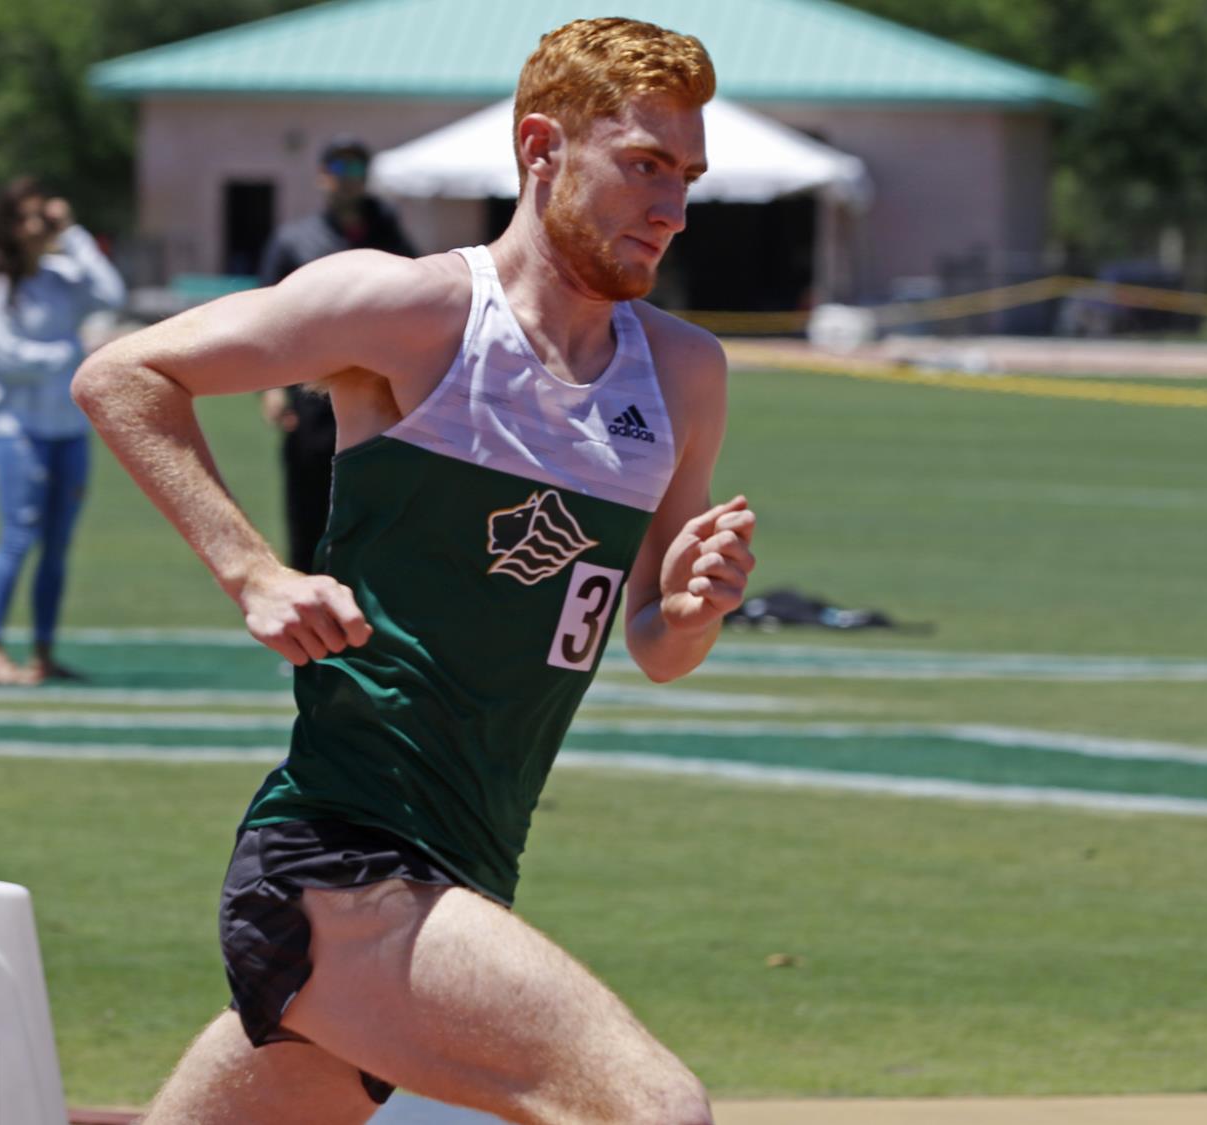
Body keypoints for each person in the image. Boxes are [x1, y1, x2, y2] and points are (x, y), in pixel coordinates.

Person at [74, 18, 752, 1124]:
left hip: (465, 869)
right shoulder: (410, 310)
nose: (671, 207)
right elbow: (124, 375)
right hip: (340, 864)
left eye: (686, 176)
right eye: (642, 167)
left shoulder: (681, 372)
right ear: (541, 147)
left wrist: (689, 609)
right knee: (649, 1108)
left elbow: (658, 647)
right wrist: (253, 572)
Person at [0, 177, 126, 685]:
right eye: (30, 217)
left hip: (67, 429)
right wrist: (69, 357)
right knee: (17, 537)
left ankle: (43, 652)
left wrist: (73, 232)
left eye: (43, 217)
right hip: (18, 429)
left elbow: (110, 292)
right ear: (9, 225)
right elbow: (5, 358)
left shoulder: (59, 277)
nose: (39, 227)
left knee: (57, 545)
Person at [257, 137, 419, 570]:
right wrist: (270, 389)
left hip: (378, 393)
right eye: (339, 170)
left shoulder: (390, 235)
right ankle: (305, 606)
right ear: (322, 175)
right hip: (312, 398)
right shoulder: (295, 240)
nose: (348, 182)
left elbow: (419, 301)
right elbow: (263, 314)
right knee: (308, 509)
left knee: (376, 508)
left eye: (357, 172)